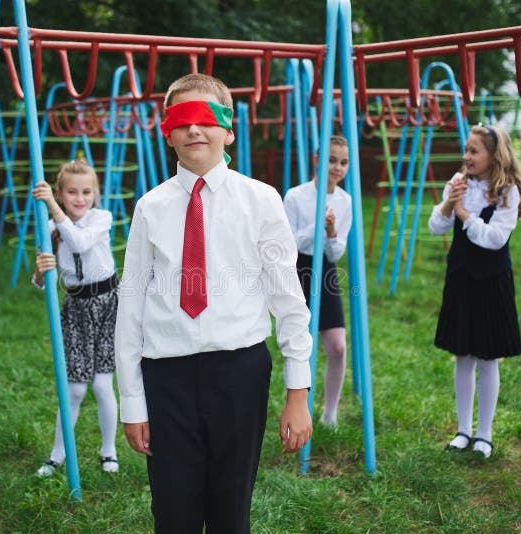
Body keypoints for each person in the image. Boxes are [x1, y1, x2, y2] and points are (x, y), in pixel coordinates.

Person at [115, 73, 313, 533]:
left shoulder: (261, 200)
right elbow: (131, 308)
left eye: (206, 118)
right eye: (181, 119)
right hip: (166, 378)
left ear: (229, 130)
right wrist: (132, 403)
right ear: (168, 131)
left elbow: (288, 299)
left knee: (231, 513)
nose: (194, 130)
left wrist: (297, 394)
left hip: (238, 373)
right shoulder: (150, 208)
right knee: (173, 513)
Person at [428, 124, 521, 459]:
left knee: (487, 356)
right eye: (466, 149)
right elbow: (436, 227)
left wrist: (463, 214)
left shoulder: (507, 191)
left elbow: (494, 238)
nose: (466, 156)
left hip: (490, 281)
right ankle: (463, 430)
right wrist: (449, 206)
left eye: (474, 151)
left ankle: (484, 434)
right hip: (461, 279)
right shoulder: (457, 185)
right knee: (463, 354)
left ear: (493, 156)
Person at [31, 159, 120, 476]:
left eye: (86, 192)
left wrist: (53, 207)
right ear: (60, 192)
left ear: (94, 194)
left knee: (100, 385)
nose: (80, 198)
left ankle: (108, 450)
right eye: (71, 192)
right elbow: (44, 283)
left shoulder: (101, 218)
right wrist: (41, 274)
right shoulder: (51, 228)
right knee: (75, 389)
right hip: (77, 309)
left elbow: (80, 241)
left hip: (108, 304)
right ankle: (57, 454)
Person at [283, 135, 352, 428]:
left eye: (343, 162)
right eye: (331, 160)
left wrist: (333, 231)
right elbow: (289, 242)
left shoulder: (346, 201)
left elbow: (336, 252)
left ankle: (330, 412)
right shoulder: (296, 196)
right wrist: (317, 226)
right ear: (317, 161)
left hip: (325, 271)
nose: (337, 167)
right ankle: (297, 408)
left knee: (337, 346)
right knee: (301, 344)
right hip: (298, 269)